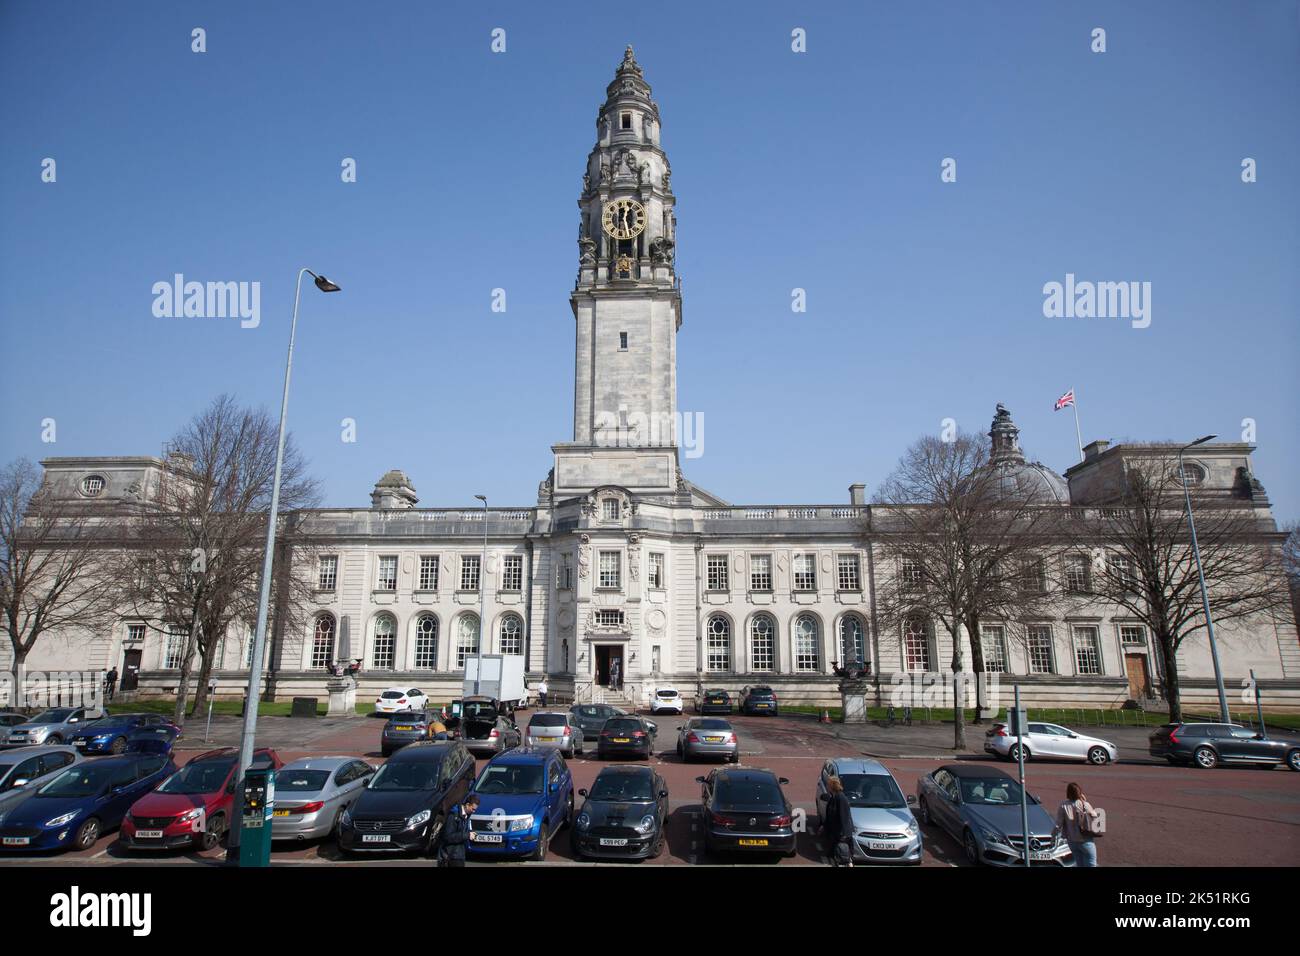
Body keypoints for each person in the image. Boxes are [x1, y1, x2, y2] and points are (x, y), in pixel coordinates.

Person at [1053, 781, 1100, 867]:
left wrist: (1053, 836)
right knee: (1091, 863)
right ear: (1080, 792)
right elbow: (1095, 816)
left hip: (1072, 840)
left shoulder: (1063, 805)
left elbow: (1058, 825)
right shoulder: (1084, 804)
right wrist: (1084, 801)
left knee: (1079, 864)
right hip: (1085, 839)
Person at [822, 776, 855, 867]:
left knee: (844, 857)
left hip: (841, 835)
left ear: (832, 786)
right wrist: (824, 826)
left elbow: (844, 816)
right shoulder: (833, 797)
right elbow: (830, 815)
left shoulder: (841, 798)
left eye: (828, 784)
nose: (827, 786)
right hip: (836, 834)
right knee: (837, 857)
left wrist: (843, 835)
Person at [438, 794, 477, 867]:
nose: (474, 811)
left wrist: (469, 834)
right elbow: (448, 836)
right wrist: (467, 835)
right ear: (467, 805)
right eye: (473, 809)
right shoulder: (453, 815)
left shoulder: (466, 816)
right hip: (450, 856)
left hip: (458, 855)